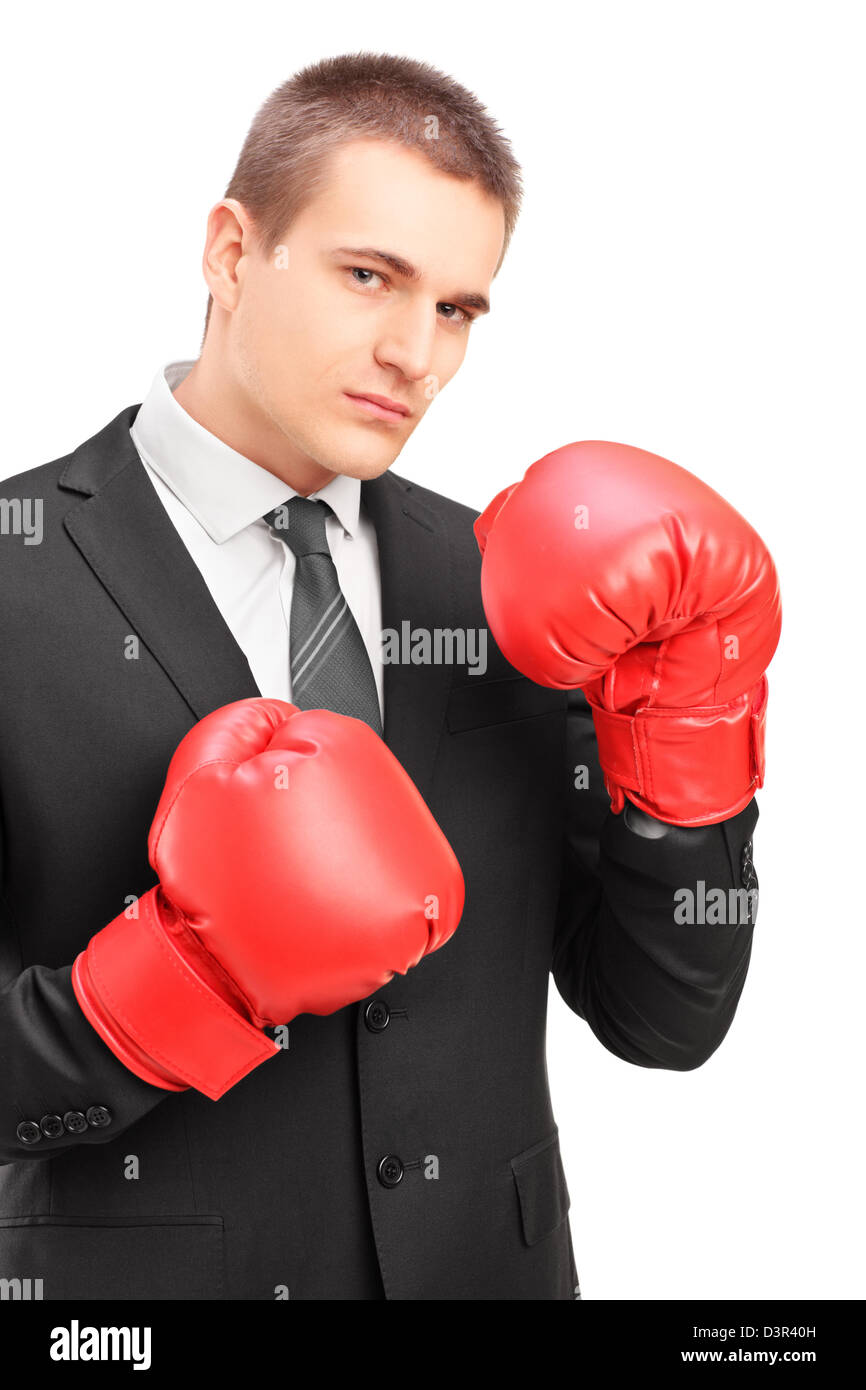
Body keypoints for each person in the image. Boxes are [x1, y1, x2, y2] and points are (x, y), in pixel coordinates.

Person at [0, 51, 779, 1301]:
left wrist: (692, 722)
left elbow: (662, 1020)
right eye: (371, 275)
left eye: (460, 309)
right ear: (230, 251)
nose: (415, 353)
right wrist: (182, 984)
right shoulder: (16, 576)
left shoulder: (505, 584)